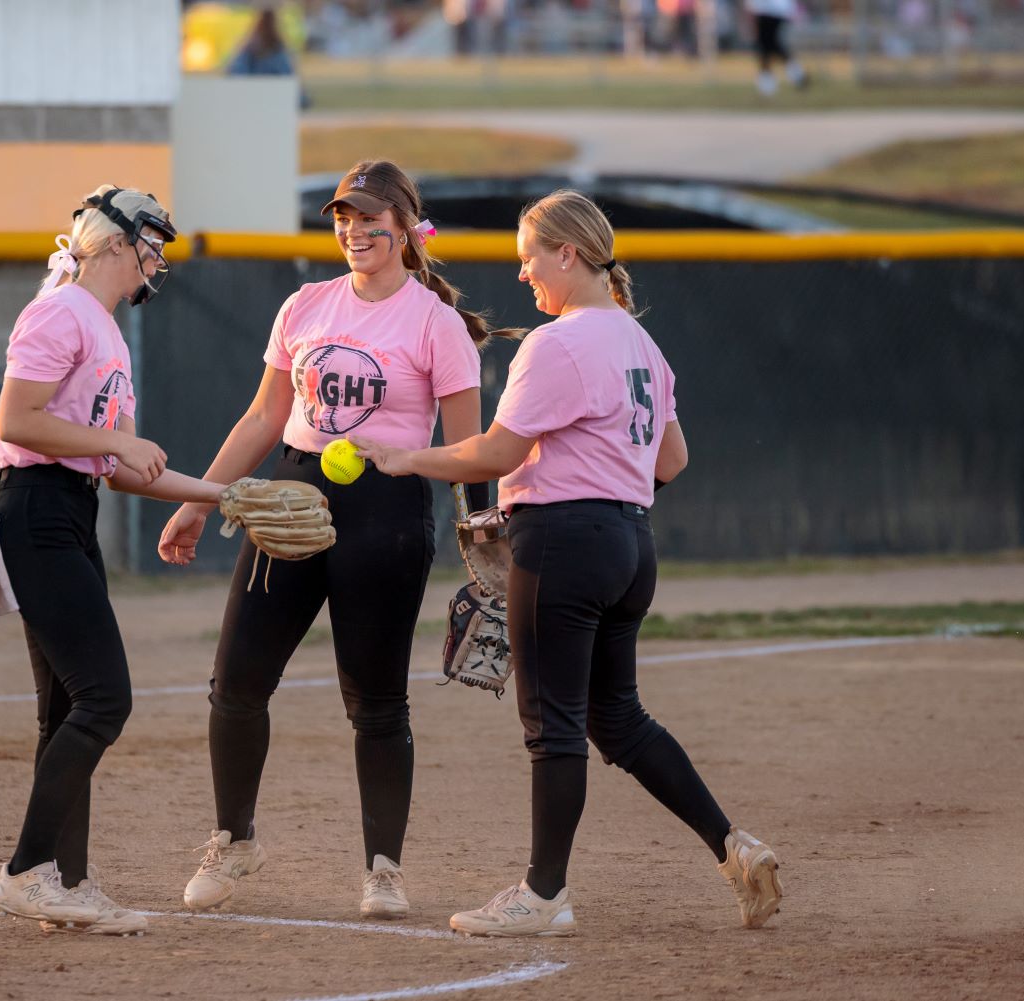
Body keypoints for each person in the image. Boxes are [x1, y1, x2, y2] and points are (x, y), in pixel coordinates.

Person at [354, 189, 783, 937]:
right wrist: (598, 489)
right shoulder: (643, 344)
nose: (524, 275)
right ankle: (732, 844)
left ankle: (543, 892)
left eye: (530, 258)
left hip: (563, 546)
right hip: (629, 546)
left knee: (552, 725)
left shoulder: (557, 342)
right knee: (616, 718)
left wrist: (405, 457)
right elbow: (673, 459)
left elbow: (495, 452)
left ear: (569, 253)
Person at [158, 159, 509, 919]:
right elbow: (261, 418)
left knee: (376, 701)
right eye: (343, 216)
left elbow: (469, 447)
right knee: (236, 681)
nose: (354, 229)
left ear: (408, 226)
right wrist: (199, 499)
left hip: (386, 510)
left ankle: (384, 869)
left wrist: (482, 547)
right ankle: (233, 839)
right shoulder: (306, 305)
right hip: (291, 494)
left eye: (370, 215)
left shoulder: (434, 323)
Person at [0, 185, 229, 935]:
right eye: (149, 238)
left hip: (69, 511)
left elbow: (121, 468)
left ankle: (68, 880)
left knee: (67, 708)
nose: (157, 254)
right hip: (34, 510)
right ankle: (26, 871)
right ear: (114, 242)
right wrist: (114, 441)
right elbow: (16, 420)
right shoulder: (60, 309)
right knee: (105, 699)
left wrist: (224, 493)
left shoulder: (107, 330)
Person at [747, 0, 808, 96]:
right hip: (773, 10)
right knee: (769, 46)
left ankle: (769, 84)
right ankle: (795, 74)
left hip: (770, 10)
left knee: (768, 46)